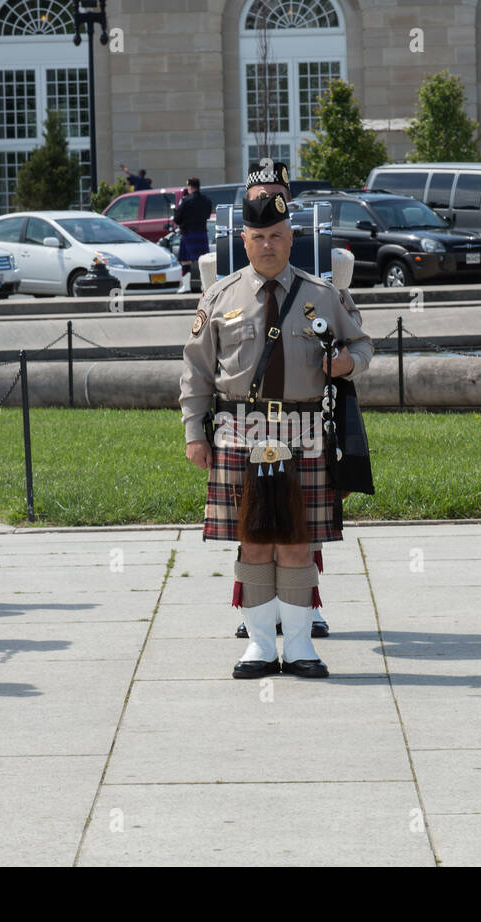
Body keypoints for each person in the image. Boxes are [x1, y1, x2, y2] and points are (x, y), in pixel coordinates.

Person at [181, 161, 372, 680]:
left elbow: (361, 342)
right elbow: (196, 371)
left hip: (305, 431)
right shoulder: (219, 298)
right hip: (239, 430)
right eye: (259, 236)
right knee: (255, 540)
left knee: (296, 540)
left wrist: (348, 362)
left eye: (278, 236)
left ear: (292, 239)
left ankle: (302, 647)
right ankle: (261, 648)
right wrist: (195, 432)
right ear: (243, 240)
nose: (268, 245)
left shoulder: (321, 295)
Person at [173, 177, 213, 277]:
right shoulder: (206, 200)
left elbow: (177, 218)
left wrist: (176, 212)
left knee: (185, 260)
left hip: (188, 233)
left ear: (190, 186)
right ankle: (203, 286)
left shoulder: (186, 200)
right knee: (203, 260)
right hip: (202, 232)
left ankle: (186, 287)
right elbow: (207, 215)